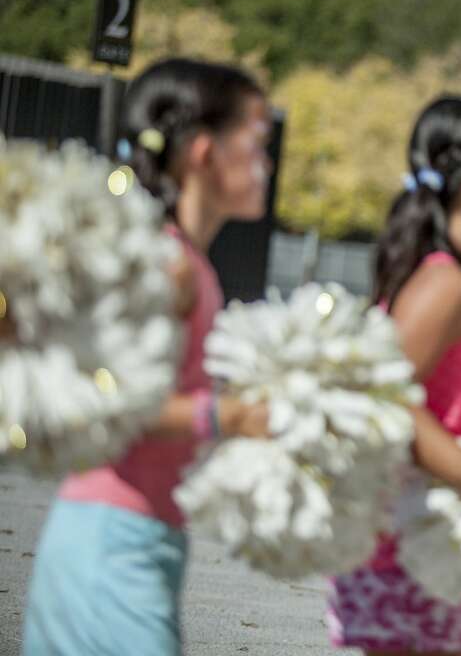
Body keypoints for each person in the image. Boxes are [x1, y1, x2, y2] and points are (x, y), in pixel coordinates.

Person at [23, 58, 276, 655]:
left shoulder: (186, 261)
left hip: (132, 541)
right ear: (203, 152)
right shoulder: (170, 265)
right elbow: (109, 397)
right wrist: (230, 416)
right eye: (256, 143)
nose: (266, 163)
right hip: (111, 548)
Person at [327, 97, 461, 656]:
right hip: (404, 561)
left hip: (432, 560)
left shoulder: (457, 280)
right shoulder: (445, 284)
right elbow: (382, 395)